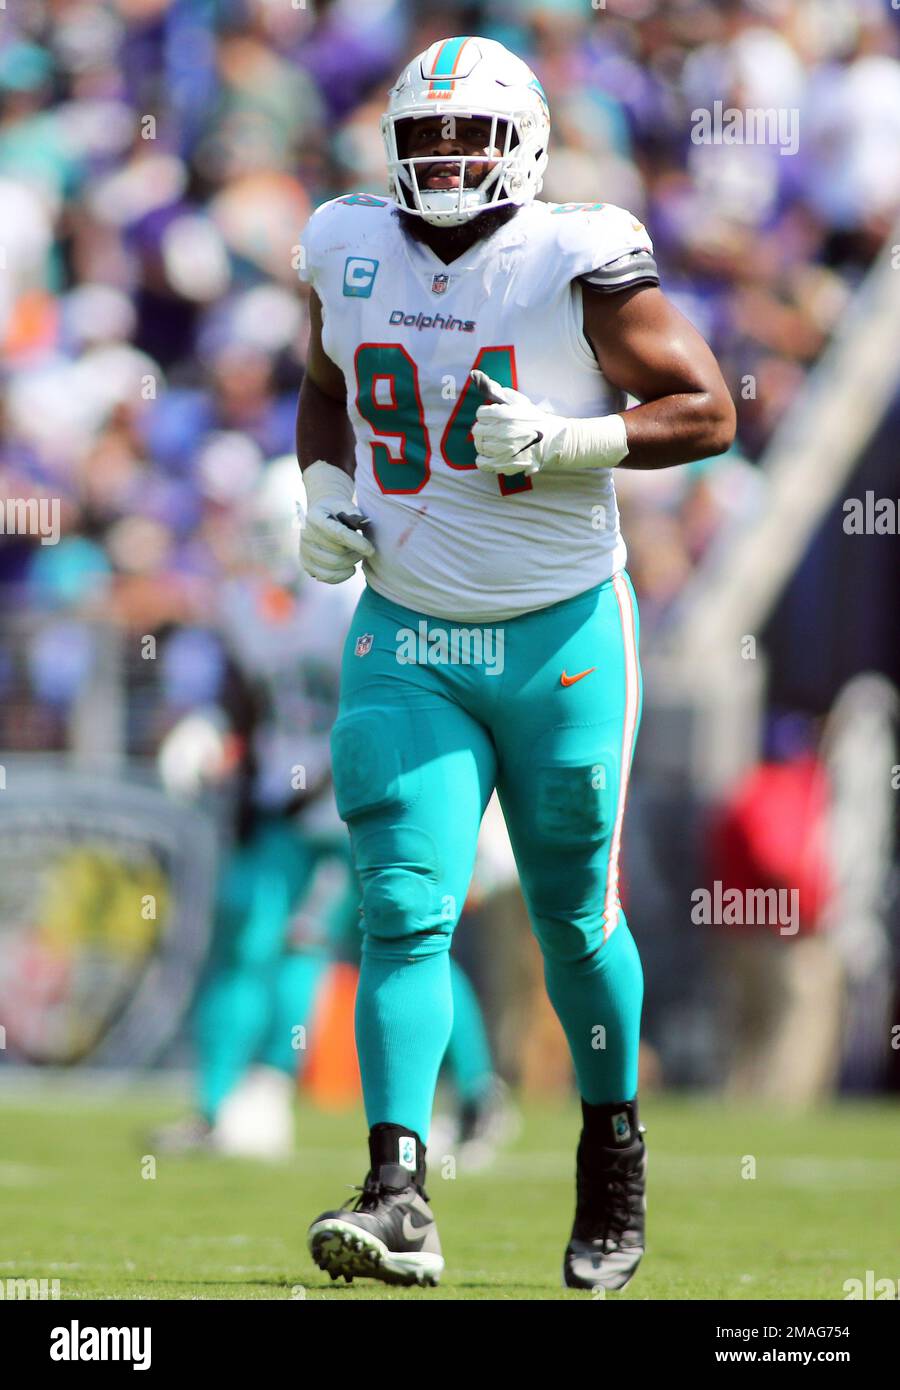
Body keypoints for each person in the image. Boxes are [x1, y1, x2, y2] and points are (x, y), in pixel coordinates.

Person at [297, 35, 735, 1291]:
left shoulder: (573, 252)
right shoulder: (342, 241)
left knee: (571, 917)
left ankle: (611, 1151)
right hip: (409, 628)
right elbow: (324, 384)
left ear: (525, 145)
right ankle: (397, 1191)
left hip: (560, 632)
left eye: (467, 138)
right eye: (422, 139)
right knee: (399, 899)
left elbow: (709, 407)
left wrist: (575, 437)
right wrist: (325, 488)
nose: (442, 160)